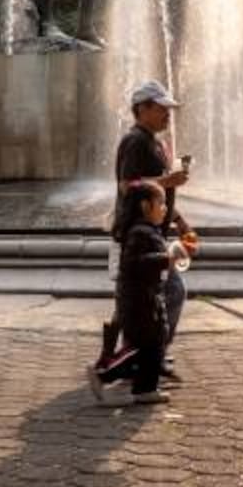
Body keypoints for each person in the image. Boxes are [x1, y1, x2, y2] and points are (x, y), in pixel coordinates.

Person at [111, 81, 191, 371]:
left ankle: (136, 356)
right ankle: (146, 358)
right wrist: (167, 181)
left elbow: (154, 193)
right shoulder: (136, 141)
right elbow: (127, 185)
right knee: (171, 293)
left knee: (137, 302)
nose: (168, 114)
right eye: (161, 108)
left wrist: (177, 218)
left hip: (153, 233)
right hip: (138, 234)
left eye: (168, 109)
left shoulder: (154, 142)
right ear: (142, 109)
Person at [88, 180, 175, 406]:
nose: (166, 209)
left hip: (147, 300)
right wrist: (168, 259)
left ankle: (145, 389)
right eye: (162, 204)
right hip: (140, 302)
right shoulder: (140, 232)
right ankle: (104, 373)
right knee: (144, 349)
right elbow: (136, 263)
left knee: (154, 346)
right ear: (146, 207)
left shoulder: (145, 231)